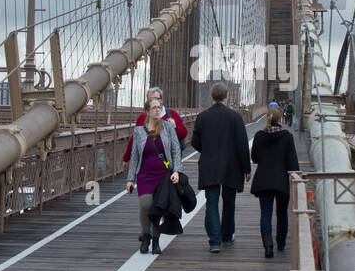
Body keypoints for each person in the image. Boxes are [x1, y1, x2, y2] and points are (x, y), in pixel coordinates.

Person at [190, 82, 250, 254]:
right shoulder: (235, 117)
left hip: (209, 166)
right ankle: (227, 235)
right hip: (232, 166)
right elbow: (242, 146)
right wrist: (247, 168)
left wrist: (207, 151)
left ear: (212, 97)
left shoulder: (203, 117)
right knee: (229, 203)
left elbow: (194, 142)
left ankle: (214, 241)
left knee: (212, 203)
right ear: (227, 96)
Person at [125, 95, 181, 254]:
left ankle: (155, 240)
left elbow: (176, 151)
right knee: (145, 205)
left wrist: (176, 171)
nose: (157, 110)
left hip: (163, 176)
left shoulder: (168, 127)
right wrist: (130, 179)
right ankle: (146, 234)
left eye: (159, 107)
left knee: (158, 208)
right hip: (145, 175)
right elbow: (135, 156)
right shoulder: (139, 131)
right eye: (154, 108)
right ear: (147, 112)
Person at [250, 104, 300, 258]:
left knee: (265, 213)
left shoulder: (259, 136)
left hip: (263, 180)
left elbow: (255, 158)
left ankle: (268, 246)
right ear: (281, 119)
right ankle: (280, 243)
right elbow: (293, 163)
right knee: (282, 213)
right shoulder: (287, 137)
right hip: (282, 181)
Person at [121, 86, 188, 165]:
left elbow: (184, 133)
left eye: (156, 98)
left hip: (169, 160)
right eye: (150, 99)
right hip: (147, 160)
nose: (153, 101)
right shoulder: (142, 118)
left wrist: (175, 127)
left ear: (162, 100)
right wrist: (126, 158)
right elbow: (135, 139)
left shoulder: (172, 114)